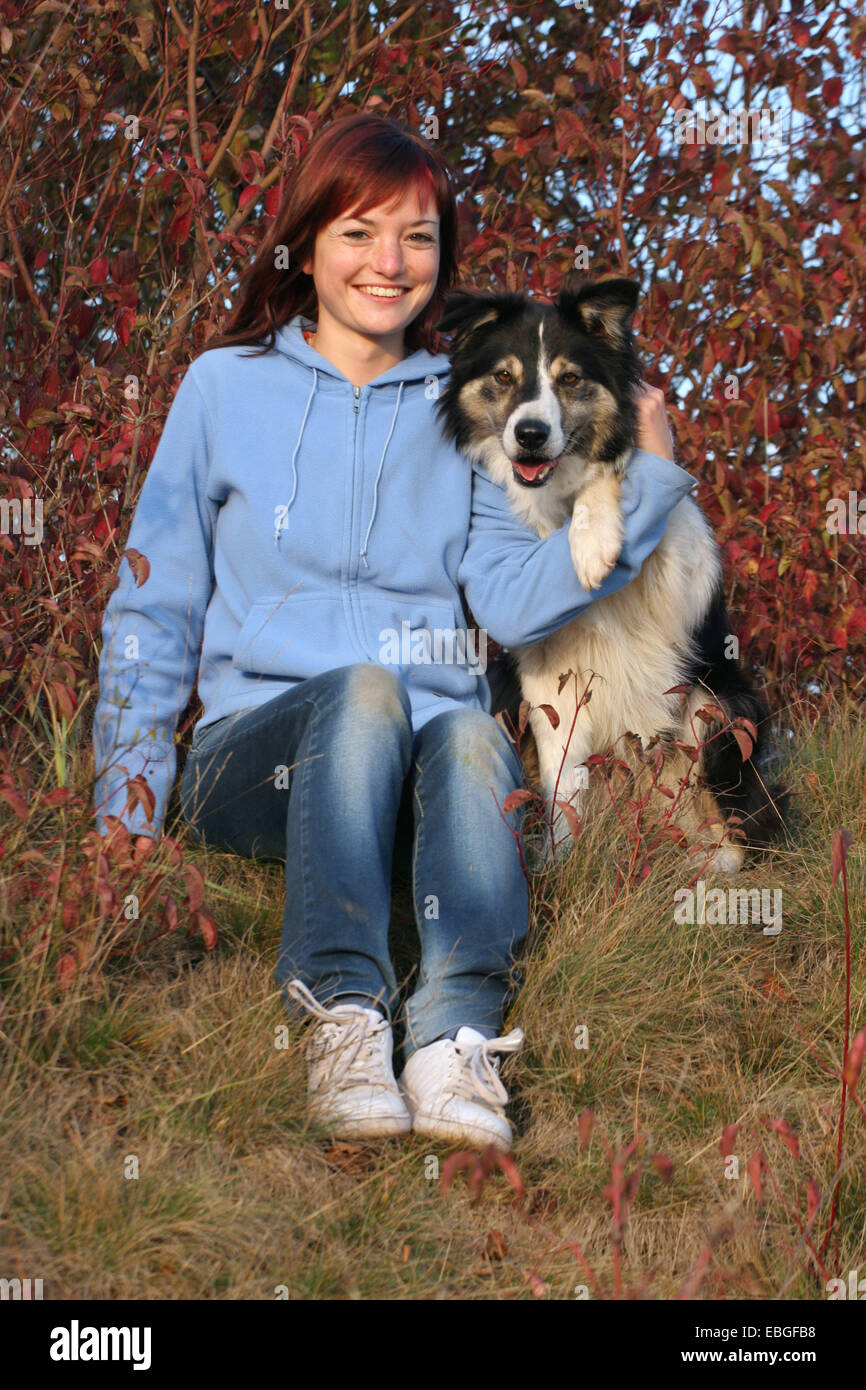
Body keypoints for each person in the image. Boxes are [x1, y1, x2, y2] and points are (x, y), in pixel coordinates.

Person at [92, 112, 691, 1152]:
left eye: (417, 236)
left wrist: (644, 467)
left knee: (466, 730)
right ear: (309, 242)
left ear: (441, 258)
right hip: (259, 759)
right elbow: (155, 603)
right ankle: (341, 1012)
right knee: (364, 689)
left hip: (423, 777)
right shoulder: (222, 389)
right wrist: (127, 800)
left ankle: (453, 1039)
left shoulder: (465, 408)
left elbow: (506, 598)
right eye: (359, 231)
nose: (390, 261)